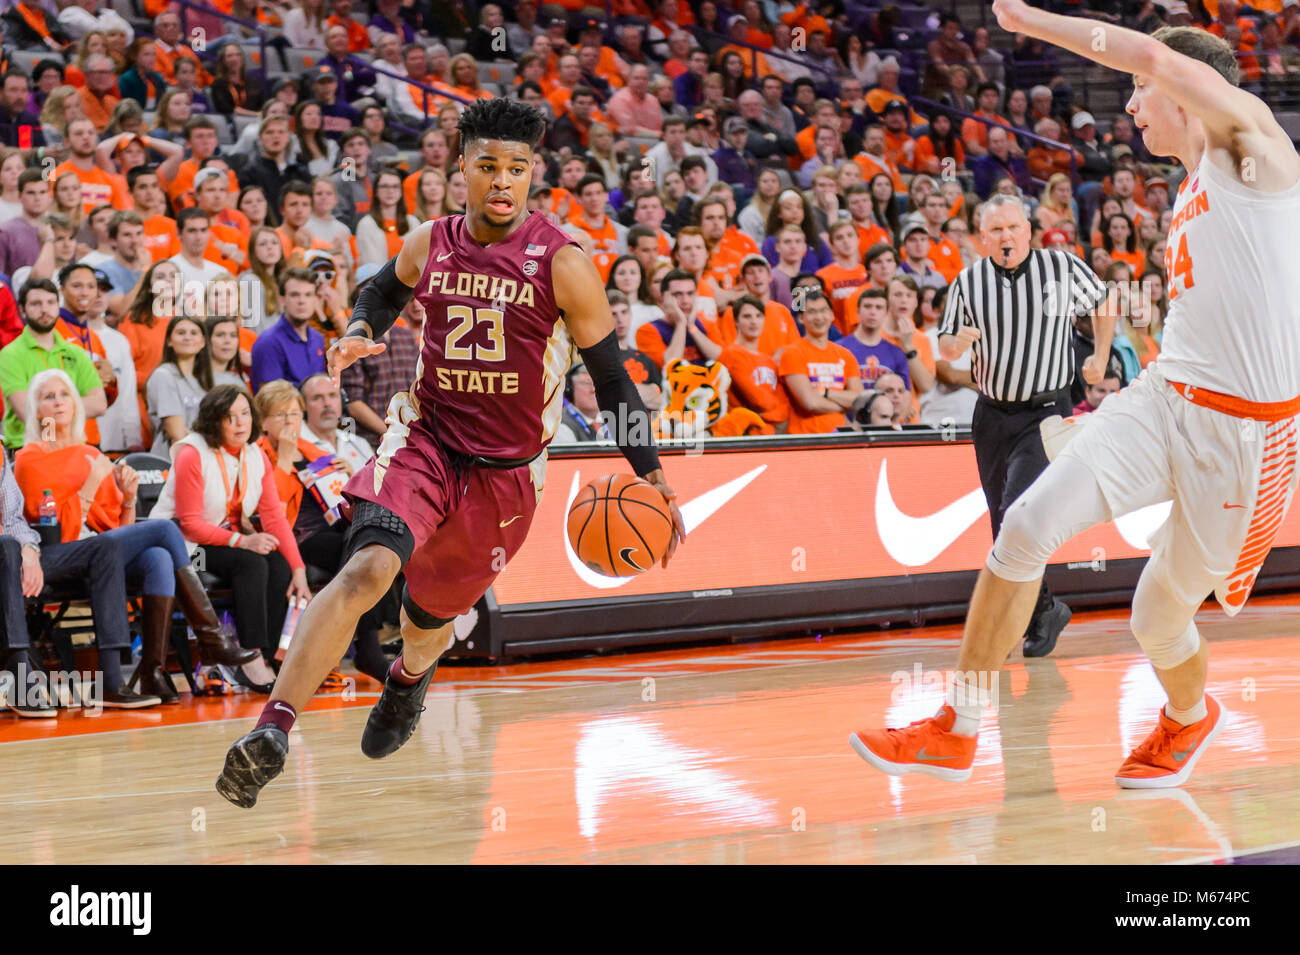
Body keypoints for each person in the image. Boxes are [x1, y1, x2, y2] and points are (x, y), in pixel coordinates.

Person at [853, 4, 1300, 790]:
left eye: (1138, 89)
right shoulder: (1193, 185)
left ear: (1184, 90)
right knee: (1023, 523)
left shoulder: (1255, 147)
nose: (1130, 104)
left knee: (1156, 617)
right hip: (1166, 398)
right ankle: (957, 727)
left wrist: (1030, 18)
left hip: (1246, 437)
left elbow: (1160, 62)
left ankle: (1191, 716)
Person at [216, 97, 686, 808]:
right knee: (366, 569)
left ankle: (408, 680)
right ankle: (273, 731)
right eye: (488, 166)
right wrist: (358, 326)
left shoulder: (565, 263)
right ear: (460, 168)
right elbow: (382, 288)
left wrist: (652, 474)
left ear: (534, 176)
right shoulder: (429, 240)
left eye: (517, 169)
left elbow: (612, 376)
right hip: (426, 438)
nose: (502, 181)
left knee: (426, 625)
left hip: (505, 478)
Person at [15, 367, 258, 702]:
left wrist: (128, 499)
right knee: (162, 528)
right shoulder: (30, 457)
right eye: (48, 397)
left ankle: (153, 671)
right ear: (36, 410)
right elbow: (52, 526)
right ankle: (211, 637)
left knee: (158, 556)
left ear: (76, 405)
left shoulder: (91, 453)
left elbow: (116, 533)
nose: (58, 403)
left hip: (101, 554)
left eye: (65, 395)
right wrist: (89, 484)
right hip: (58, 553)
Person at [150, 385, 310, 692]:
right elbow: (190, 524)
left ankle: (265, 655)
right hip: (181, 545)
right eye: (230, 417)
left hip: (222, 540)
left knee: (278, 564)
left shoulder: (256, 456)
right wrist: (244, 541)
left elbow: (274, 518)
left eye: (245, 414)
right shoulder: (191, 453)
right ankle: (248, 656)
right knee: (251, 562)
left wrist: (299, 569)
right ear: (213, 421)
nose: (240, 423)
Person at [0, 278, 106, 450]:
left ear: (58, 306)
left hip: (73, 449)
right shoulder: (10, 354)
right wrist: (70, 407)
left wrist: (47, 407)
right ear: (22, 310)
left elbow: (99, 404)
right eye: (36, 303)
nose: (44, 309)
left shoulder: (76, 352)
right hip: (27, 449)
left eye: (50, 302)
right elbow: (25, 411)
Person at [249, 267, 327, 392]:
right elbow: (271, 401)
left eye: (308, 295)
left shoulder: (318, 338)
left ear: (315, 300)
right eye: (295, 295)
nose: (302, 301)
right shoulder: (268, 343)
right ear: (282, 300)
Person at [145, 314, 211, 457]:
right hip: (170, 463)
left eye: (194, 333)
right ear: (169, 340)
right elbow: (177, 434)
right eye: (181, 333)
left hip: (202, 459)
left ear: (203, 342)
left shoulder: (205, 382)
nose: (187, 337)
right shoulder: (164, 375)